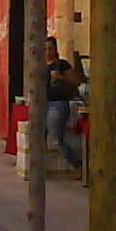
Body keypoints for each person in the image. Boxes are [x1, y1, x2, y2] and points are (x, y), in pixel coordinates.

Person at [46, 35, 82, 171]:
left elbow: (76, 81)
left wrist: (61, 77)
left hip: (57, 104)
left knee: (56, 140)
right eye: (45, 49)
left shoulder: (62, 65)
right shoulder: (41, 65)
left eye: (50, 48)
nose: (47, 52)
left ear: (55, 49)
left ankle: (78, 165)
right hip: (43, 104)